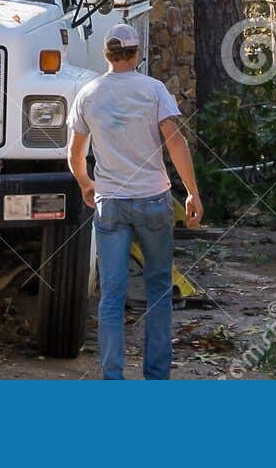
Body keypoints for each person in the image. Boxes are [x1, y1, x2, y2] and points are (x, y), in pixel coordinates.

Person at [67, 23, 202, 380]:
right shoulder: (154, 89)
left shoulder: (89, 93)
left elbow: (75, 153)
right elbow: (176, 142)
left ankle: (113, 378)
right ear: (137, 53)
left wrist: (85, 183)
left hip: (110, 203)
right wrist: (191, 192)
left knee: (112, 294)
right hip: (153, 200)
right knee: (158, 289)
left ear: (106, 54)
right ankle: (156, 378)